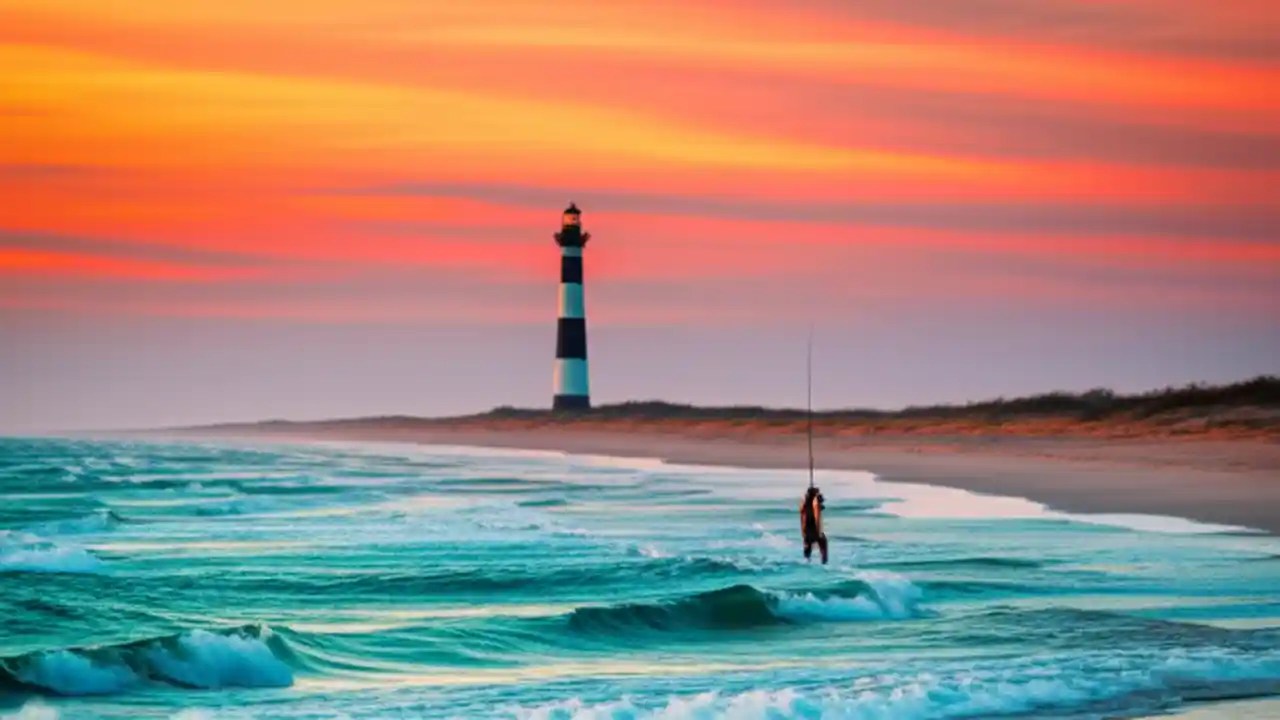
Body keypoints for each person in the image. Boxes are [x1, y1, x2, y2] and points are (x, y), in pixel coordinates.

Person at [800, 486, 828, 564]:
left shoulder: (803, 503)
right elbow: (817, 518)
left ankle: (806, 561)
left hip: (807, 531)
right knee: (823, 541)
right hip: (814, 530)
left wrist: (803, 531)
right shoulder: (815, 503)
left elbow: (802, 518)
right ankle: (824, 562)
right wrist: (818, 533)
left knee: (807, 550)